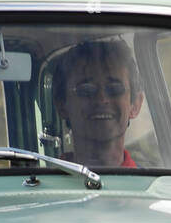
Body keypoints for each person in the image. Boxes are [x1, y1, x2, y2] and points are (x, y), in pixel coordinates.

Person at [53, 39, 144, 169]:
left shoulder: (151, 186)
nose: (101, 99)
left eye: (114, 89)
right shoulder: (43, 185)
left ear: (135, 104)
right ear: (61, 105)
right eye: (86, 89)